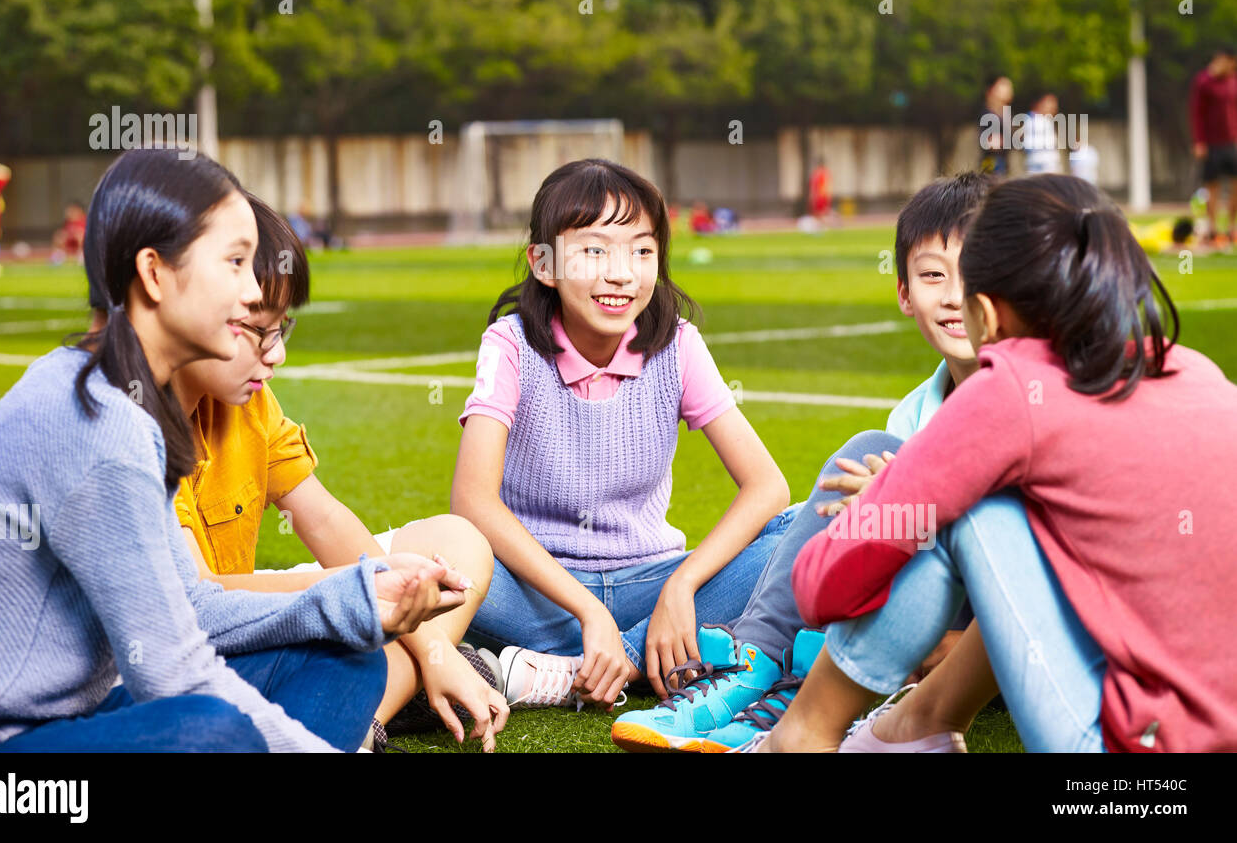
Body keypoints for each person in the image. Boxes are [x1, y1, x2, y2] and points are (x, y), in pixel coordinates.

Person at [0, 149, 464, 752]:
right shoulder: (92, 421)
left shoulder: (127, 399)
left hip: (79, 711)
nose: (250, 291)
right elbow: (174, 672)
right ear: (155, 274)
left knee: (348, 657)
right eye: (235, 263)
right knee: (207, 731)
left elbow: (191, 606)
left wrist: (354, 597)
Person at [749, 173, 1237, 753]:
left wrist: (886, 506)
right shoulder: (1194, 370)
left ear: (985, 308)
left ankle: (801, 736)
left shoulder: (1009, 388)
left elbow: (821, 589)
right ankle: (915, 730)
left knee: (969, 512)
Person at [609, 171, 996, 752]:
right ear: (904, 292)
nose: (952, 295)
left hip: (1014, 626)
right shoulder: (913, 416)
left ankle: (794, 681)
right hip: (938, 609)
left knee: (871, 471)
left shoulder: (1037, 394)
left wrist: (917, 511)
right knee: (867, 462)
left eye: (974, 272)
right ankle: (765, 668)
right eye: (933, 274)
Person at [451, 158, 800, 712]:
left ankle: (590, 666)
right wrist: (589, 611)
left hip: (652, 583)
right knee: (437, 557)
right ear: (543, 264)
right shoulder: (510, 343)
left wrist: (681, 588)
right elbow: (472, 502)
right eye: (595, 251)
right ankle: (636, 657)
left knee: (804, 529)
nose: (622, 274)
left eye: (642, 251)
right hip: (537, 594)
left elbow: (767, 488)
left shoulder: (678, 344)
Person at [170, 192, 509, 752]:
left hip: (242, 613)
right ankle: (396, 693)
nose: (275, 355)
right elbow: (200, 602)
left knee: (457, 541)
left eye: (282, 328)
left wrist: (431, 646)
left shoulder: (248, 403)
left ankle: (391, 699)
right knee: (359, 630)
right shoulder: (135, 427)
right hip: (201, 642)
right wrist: (361, 592)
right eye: (256, 329)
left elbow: (322, 517)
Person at [1188, 46, 1237, 247]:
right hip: (1211, 143)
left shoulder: (1233, 81)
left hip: (1232, 141)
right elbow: (1196, 113)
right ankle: (1214, 230)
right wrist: (1199, 141)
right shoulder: (1204, 82)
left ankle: (1232, 228)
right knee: (1213, 187)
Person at [978, 74, 1014, 176]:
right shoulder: (986, 113)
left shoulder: (1006, 113)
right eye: (1004, 86)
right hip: (990, 162)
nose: (1009, 90)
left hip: (1004, 164)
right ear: (992, 90)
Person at [1023, 93, 1062, 174]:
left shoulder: (1046, 120)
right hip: (1040, 171)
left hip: (1048, 170)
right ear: (1039, 103)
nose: (1054, 106)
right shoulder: (1032, 121)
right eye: (1050, 102)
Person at [51, 201, 87, 265]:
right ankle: (58, 255)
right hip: (69, 242)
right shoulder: (68, 222)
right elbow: (66, 232)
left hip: (81, 244)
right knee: (59, 235)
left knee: (80, 236)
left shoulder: (84, 220)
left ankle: (82, 256)